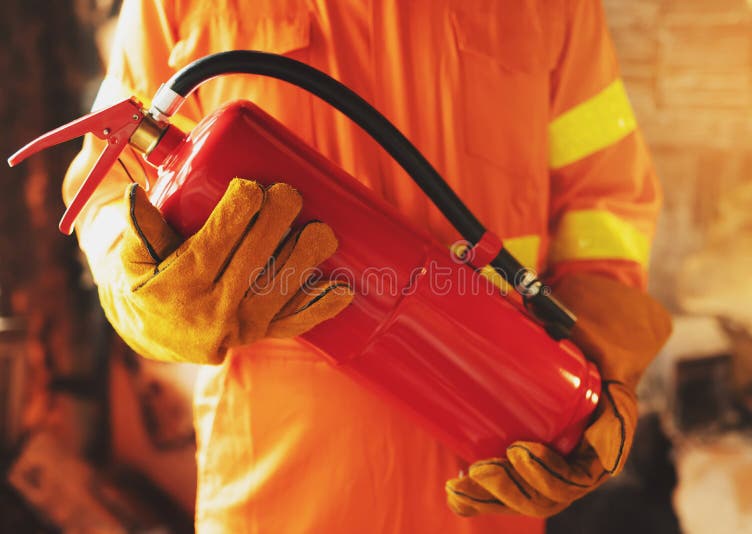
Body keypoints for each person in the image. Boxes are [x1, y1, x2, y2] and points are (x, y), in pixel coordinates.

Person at [64, 1, 672, 532]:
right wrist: (143, 286)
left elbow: (604, 200)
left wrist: (592, 371)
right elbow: (111, 171)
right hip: (281, 487)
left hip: (495, 455)